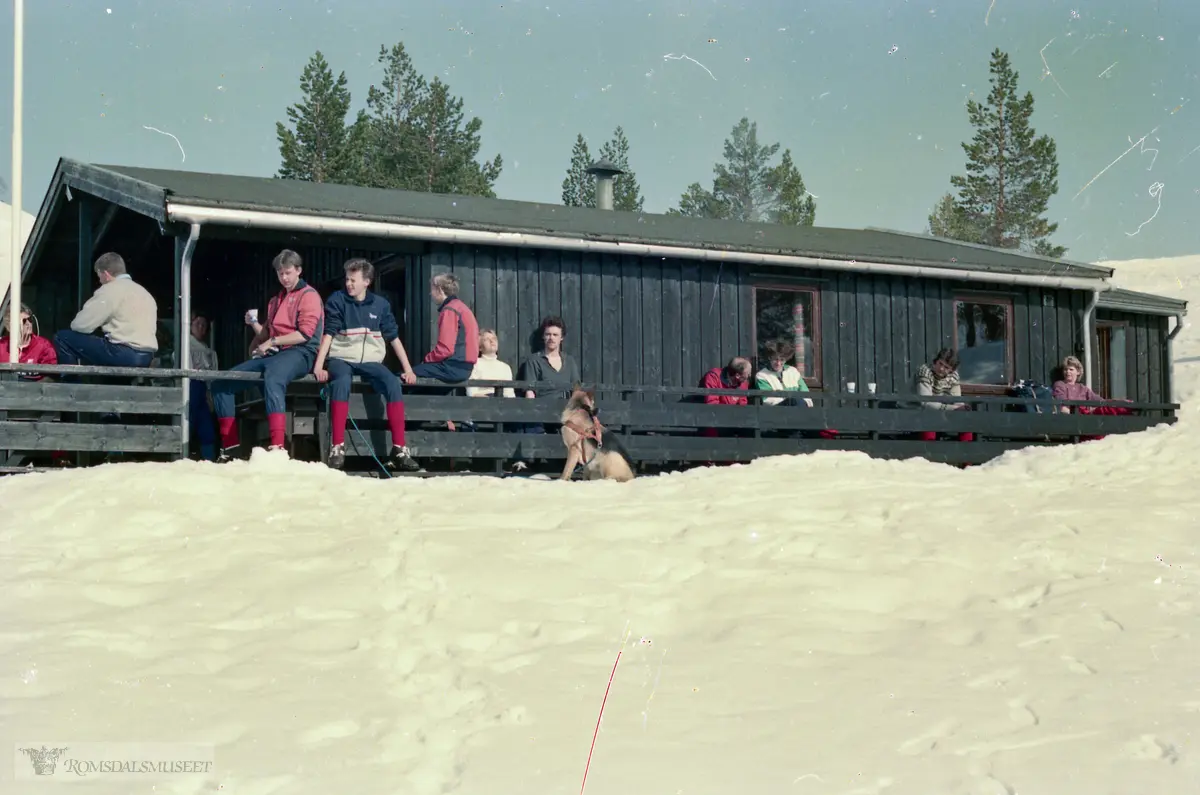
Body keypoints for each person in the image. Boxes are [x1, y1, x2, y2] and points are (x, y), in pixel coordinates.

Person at [210, 249, 324, 461]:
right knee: (221, 382)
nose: (284, 278)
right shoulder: (275, 300)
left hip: (301, 352)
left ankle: (278, 446)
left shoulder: (309, 296)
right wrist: (254, 327)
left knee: (273, 376)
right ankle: (230, 447)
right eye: (280, 273)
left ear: (298, 270)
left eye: (288, 272)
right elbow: (267, 334)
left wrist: (272, 342)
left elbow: (305, 334)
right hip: (276, 353)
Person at [312, 258, 421, 472]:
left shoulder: (380, 305)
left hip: (370, 360)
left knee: (392, 383)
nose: (349, 284)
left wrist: (408, 369)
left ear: (367, 282)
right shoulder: (337, 300)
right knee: (341, 381)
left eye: (353, 280)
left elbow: (393, 338)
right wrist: (319, 366)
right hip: (341, 357)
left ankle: (399, 448)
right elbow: (328, 334)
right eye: (347, 280)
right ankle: (337, 446)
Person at [53, 252, 158, 368]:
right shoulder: (144, 293)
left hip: (123, 354)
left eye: (99, 276)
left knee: (63, 337)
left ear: (106, 274)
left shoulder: (110, 290)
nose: (100, 281)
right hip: (147, 356)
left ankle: (71, 383)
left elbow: (81, 325)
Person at [413, 273, 479, 383]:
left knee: (405, 376)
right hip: (466, 368)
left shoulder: (450, 309)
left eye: (432, 289)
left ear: (439, 289)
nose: (430, 293)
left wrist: (426, 360)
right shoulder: (462, 307)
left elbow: (445, 349)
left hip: (452, 367)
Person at [913, 348, 973, 442]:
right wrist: (953, 408)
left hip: (938, 411)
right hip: (912, 411)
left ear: (951, 370)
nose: (941, 368)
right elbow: (925, 403)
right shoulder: (925, 372)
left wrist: (962, 408)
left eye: (946, 367)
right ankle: (928, 451)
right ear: (936, 361)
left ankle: (966, 451)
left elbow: (957, 400)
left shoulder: (953, 377)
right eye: (940, 363)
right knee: (929, 417)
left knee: (965, 419)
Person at [698, 357, 752, 439]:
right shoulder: (714, 377)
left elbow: (743, 404)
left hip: (734, 422)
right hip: (713, 422)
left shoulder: (743, 382)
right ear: (737, 375)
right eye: (747, 374)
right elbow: (712, 404)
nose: (749, 376)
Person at [1, 303, 57, 378]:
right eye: (24, 321)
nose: (28, 324)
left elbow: (51, 377)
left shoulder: (43, 346)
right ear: (11, 325)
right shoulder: (2, 346)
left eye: (30, 320)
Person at [754, 340, 814, 408]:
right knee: (793, 401)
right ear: (769, 357)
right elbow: (768, 400)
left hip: (799, 407)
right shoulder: (762, 375)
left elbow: (806, 394)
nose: (778, 363)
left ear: (786, 359)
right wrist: (789, 399)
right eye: (775, 359)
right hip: (777, 411)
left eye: (782, 360)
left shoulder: (793, 371)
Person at [466, 329, 516, 398]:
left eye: (494, 338)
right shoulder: (475, 364)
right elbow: (472, 393)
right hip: (481, 404)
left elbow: (509, 394)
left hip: (502, 404)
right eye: (486, 339)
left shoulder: (505, 367)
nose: (492, 341)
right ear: (480, 347)